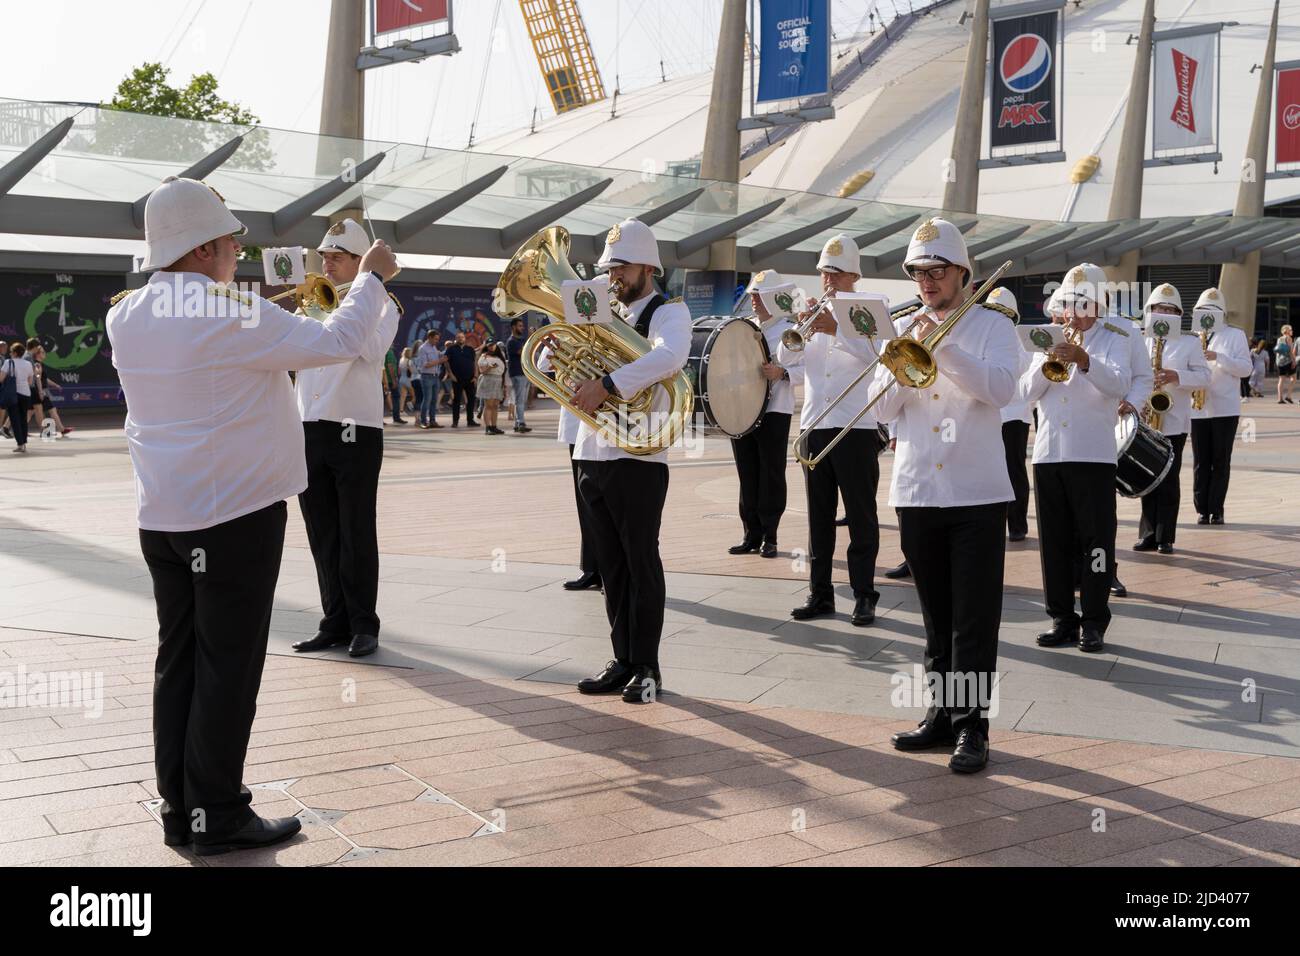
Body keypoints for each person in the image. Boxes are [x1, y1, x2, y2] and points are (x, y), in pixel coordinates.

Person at [106, 176, 398, 855]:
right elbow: (338, 340)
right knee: (228, 668)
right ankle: (219, 812)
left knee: (178, 661)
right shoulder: (226, 313)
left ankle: (182, 810)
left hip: (164, 517)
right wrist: (373, 277)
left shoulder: (129, 313)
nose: (239, 248)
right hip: (233, 516)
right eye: (232, 239)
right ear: (205, 247)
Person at [877, 218, 1020, 774]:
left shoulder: (993, 326)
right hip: (917, 490)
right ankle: (941, 713)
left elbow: (1002, 390)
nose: (927, 281)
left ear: (963, 272)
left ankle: (973, 727)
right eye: (918, 272)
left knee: (974, 619)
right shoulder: (901, 327)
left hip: (977, 494)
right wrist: (899, 362)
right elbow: (880, 411)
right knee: (935, 617)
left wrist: (946, 348)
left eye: (937, 271)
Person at [571, 219, 689, 704]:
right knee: (611, 568)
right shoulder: (602, 311)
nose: (613, 275)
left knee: (641, 564)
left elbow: (672, 357)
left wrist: (609, 384)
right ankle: (622, 659)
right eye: (609, 266)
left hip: (639, 456)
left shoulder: (668, 312)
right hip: (591, 452)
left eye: (620, 266)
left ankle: (647, 666)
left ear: (647, 266)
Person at [289, 218, 400, 660]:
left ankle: (363, 624)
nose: (328, 265)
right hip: (310, 425)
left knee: (355, 531)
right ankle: (332, 620)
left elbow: (370, 350)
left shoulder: (382, 303)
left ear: (360, 262)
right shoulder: (311, 302)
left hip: (355, 428)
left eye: (337, 258)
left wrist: (344, 308)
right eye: (326, 258)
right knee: (322, 532)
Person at [1019, 264, 1132, 655]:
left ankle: (1095, 620)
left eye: (1083, 305)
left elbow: (1119, 384)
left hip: (1094, 455)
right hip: (1050, 454)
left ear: (1100, 306)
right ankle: (1062, 618)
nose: (1075, 313)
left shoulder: (1116, 337)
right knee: (1054, 542)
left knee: (1097, 543)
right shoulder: (1046, 338)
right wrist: (1048, 364)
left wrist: (1084, 361)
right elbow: (1025, 393)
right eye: (1068, 304)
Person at [777, 235, 886, 627]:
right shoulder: (814, 311)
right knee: (818, 517)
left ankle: (864, 595)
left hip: (855, 426)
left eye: (837, 273)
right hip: (815, 424)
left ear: (855, 274)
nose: (829, 280)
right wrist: (799, 328)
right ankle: (820, 593)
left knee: (861, 515)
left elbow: (877, 359)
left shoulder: (871, 309)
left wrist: (837, 328)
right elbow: (788, 357)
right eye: (825, 272)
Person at [728, 270, 801, 560]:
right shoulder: (747, 326)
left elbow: (808, 368)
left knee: (771, 473)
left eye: (759, 296)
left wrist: (783, 373)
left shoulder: (788, 329)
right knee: (747, 471)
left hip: (775, 410)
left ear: (773, 297)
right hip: (744, 409)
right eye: (753, 296)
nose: (754, 301)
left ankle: (770, 536)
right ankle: (751, 534)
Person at [1134, 283, 1211, 556]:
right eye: (1159, 308)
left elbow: (1205, 377)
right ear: (1150, 311)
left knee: (1168, 477)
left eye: (1170, 309)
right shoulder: (1139, 338)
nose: (1164, 313)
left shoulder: (1189, 342)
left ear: (1178, 313)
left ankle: (1166, 536)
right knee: (1146, 476)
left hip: (1174, 418)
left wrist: (1177, 376)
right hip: (1144, 417)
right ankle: (1148, 533)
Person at [1189, 288, 1252, 526]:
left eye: (1213, 310)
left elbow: (1246, 369)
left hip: (1225, 407)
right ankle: (1201, 508)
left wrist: (1220, 358)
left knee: (1220, 460)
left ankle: (1217, 509)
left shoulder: (1235, 335)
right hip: (1198, 408)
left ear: (1222, 313)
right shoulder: (1193, 336)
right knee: (1200, 460)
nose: (1208, 314)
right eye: (1203, 310)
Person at [987, 288, 1031, 542]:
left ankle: (1017, 524)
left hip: (1014, 413)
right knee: (990, 469)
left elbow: (1021, 368)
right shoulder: (984, 335)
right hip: (991, 412)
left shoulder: (1017, 338)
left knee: (1014, 469)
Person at [1, 342, 35, 453]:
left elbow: (1, 378)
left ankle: (20, 444)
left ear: (15, 353)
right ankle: (24, 442)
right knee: (23, 419)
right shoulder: (28, 364)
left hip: (12, 394)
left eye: (11, 351)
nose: (10, 353)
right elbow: (30, 381)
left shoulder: (8, 362)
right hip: (25, 394)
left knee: (15, 420)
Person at [444, 331, 478, 428]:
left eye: (462, 337)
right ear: (456, 338)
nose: (460, 339)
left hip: (470, 378)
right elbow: (446, 362)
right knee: (456, 400)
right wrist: (450, 374)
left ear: (465, 338)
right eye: (458, 337)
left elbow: (475, 362)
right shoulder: (451, 349)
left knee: (471, 400)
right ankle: (455, 421)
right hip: (457, 379)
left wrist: (475, 375)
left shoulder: (470, 349)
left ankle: (470, 420)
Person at [506, 317, 533, 433]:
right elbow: (523, 351)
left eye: (522, 326)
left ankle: (518, 423)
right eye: (520, 326)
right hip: (517, 373)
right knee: (520, 399)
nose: (522, 328)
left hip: (524, 373)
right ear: (513, 327)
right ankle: (521, 422)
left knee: (522, 399)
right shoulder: (511, 341)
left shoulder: (521, 340)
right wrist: (531, 338)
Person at [416, 330, 446, 428]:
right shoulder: (423, 348)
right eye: (435, 339)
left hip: (435, 377)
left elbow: (439, 355)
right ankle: (423, 421)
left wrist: (447, 351)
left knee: (434, 400)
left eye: (438, 339)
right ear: (429, 337)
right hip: (426, 376)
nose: (437, 341)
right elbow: (425, 365)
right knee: (427, 399)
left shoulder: (434, 347)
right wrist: (440, 361)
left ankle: (432, 421)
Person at [477, 341, 507, 434]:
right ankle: (488, 427)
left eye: (493, 344)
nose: (491, 347)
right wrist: (490, 367)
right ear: (487, 346)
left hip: (498, 380)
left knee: (495, 406)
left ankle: (494, 426)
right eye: (489, 345)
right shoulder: (483, 356)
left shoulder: (500, 356)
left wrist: (504, 384)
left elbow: (503, 371)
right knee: (488, 405)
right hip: (488, 380)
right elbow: (482, 371)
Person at [1275, 325, 1296, 404]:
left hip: (1279, 362)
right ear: (1287, 331)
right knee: (1293, 378)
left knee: (1281, 379)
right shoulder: (1289, 338)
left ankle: (1280, 398)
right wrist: (1293, 361)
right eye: (1290, 329)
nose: (1292, 331)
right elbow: (1290, 351)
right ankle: (1288, 396)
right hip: (1287, 361)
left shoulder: (1279, 339)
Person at [398, 346, 416, 417]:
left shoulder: (401, 360)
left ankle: (401, 411)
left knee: (403, 396)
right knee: (415, 395)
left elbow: (399, 371)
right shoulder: (409, 361)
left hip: (402, 379)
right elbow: (411, 371)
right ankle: (410, 403)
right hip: (409, 380)